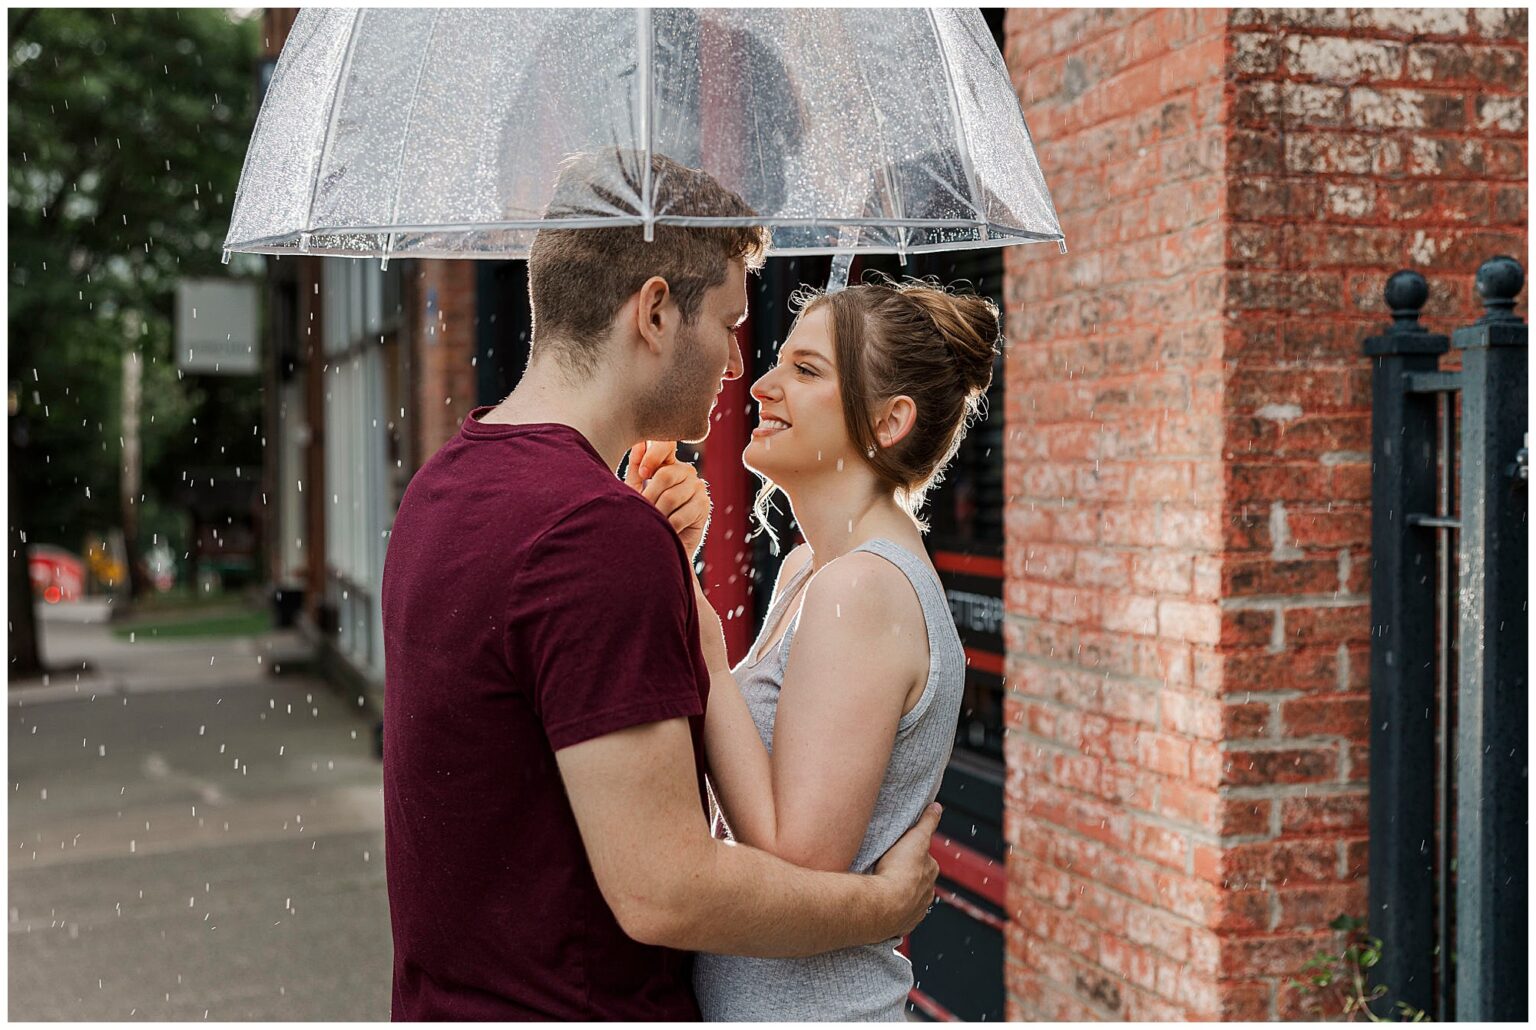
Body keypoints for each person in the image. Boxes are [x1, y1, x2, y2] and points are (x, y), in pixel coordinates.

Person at [380, 151, 941, 1022]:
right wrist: (886, 907)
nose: (733, 367)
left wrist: (651, 554)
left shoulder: (443, 485)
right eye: (725, 323)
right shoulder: (594, 536)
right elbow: (665, 892)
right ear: (653, 311)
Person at [631, 276, 998, 1020]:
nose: (761, 384)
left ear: (890, 420)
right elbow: (726, 807)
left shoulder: (860, 591)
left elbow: (794, 861)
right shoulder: (810, 572)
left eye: (806, 371)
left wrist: (693, 619)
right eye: (778, 362)